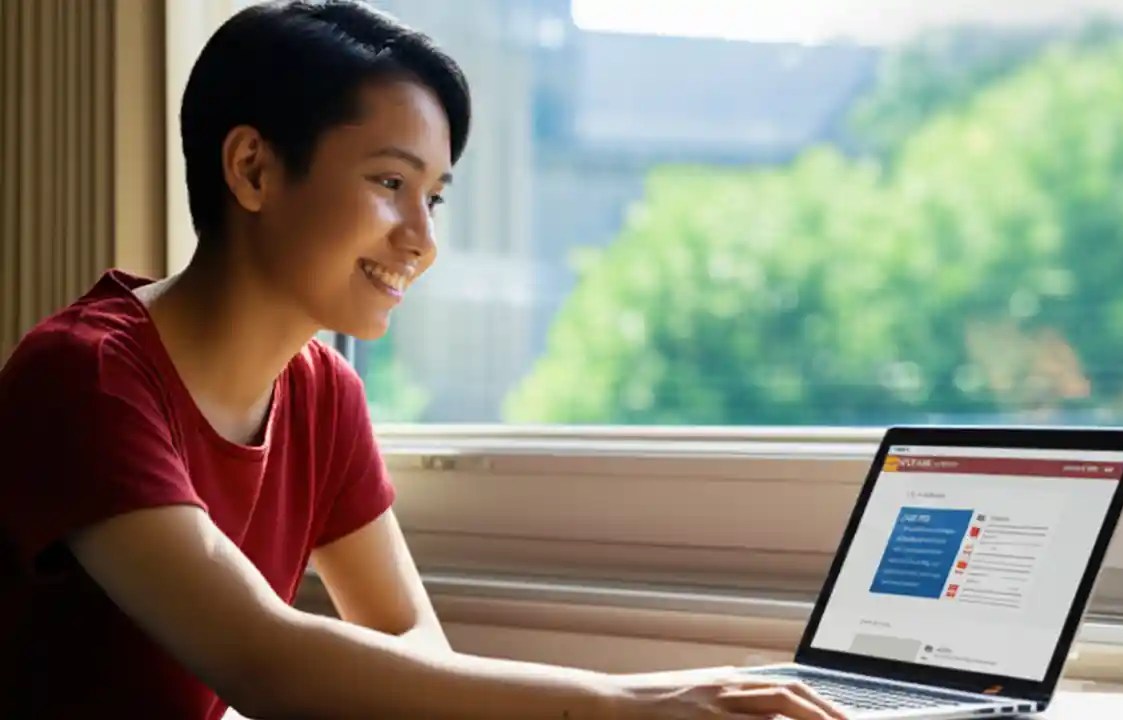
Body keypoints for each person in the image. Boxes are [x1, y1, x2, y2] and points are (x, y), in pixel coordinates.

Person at [0, 2, 848, 718]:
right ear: (252, 168)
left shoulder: (320, 389)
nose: (423, 240)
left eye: (434, 196)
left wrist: (673, 692)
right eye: (388, 184)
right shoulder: (88, 379)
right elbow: (260, 659)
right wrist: (625, 706)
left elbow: (407, 638)